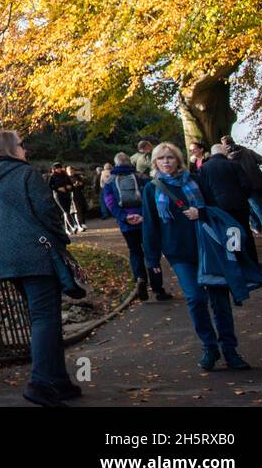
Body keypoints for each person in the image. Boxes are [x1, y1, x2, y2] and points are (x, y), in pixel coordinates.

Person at [0, 129, 78, 407]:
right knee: (45, 318)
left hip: (8, 257)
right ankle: (40, 383)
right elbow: (47, 211)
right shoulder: (26, 174)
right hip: (36, 252)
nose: (25, 150)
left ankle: (58, 380)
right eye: (21, 145)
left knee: (44, 316)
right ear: (10, 148)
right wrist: (61, 238)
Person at [141, 142, 248, 371]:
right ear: (155, 163)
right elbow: (150, 225)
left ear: (178, 160)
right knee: (195, 299)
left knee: (220, 301)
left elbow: (217, 210)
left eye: (170, 157)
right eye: (162, 159)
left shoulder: (195, 181)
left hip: (208, 249)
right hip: (178, 252)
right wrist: (152, 260)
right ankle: (209, 347)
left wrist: (201, 212)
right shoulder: (152, 188)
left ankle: (230, 350)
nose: (166, 162)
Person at [102, 152, 170, 301]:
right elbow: (153, 197)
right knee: (151, 252)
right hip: (146, 221)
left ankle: (140, 278)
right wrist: (144, 216)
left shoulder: (110, 181)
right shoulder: (142, 177)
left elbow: (110, 202)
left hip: (127, 224)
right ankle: (158, 289)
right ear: (130, 162)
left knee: (135, 251)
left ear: (116, 164)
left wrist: (124, 217)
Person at [199, 144, 261, 266]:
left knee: (228, 232)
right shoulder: (234, 165)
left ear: (212, 154)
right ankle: (252, 261)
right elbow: (246, 185)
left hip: (219, 206)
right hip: (239, 204)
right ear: (224, 153)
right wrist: (244, 197)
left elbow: (203, 188)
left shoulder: (205, 168)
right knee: (245, 231)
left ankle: (235, 261)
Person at [222, 137, 262, 239]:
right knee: (254, 207)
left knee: (256, 208)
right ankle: (256, 227)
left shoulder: (227, 157)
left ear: (224, 145)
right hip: (259, 183)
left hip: (244, 186)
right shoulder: (247, 151)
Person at [47, 163, 85, 235]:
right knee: (65, 211)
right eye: (57, 168)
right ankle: (73, 226)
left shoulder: (64, 175)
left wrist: (69, 187)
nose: (59, 169)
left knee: (67, 211)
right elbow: (49, 186)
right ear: (54, 169)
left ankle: (67, 229)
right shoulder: (52, 177)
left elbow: (70, 184)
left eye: (60, 168)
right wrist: (58, 188)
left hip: (67, 194)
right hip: (58, 196)